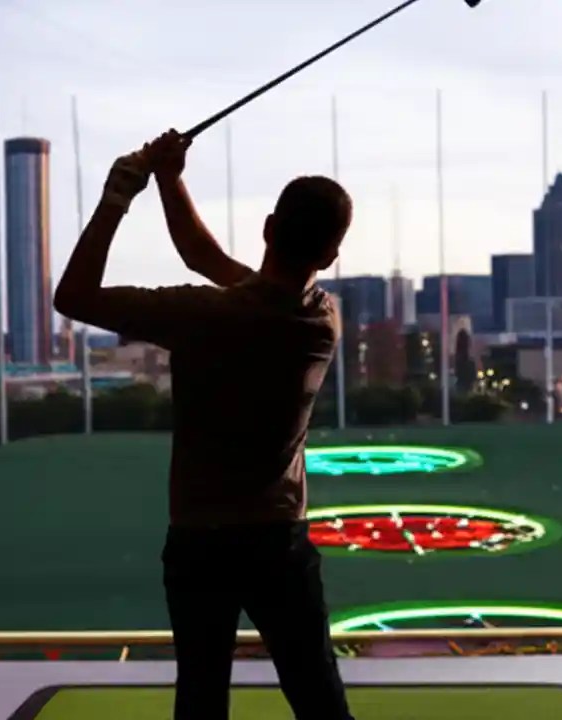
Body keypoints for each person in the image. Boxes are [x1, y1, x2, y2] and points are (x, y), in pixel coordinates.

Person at [53, 130, 355, 720]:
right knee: (318, 698)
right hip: (278, 540)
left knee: (200, 701)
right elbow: (205, 258)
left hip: (200, 541)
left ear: (268, 228)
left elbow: (75, 296)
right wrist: (170, 178)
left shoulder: (202, 315)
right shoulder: (320, 318)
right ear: (328, 256)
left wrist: (121, 194)